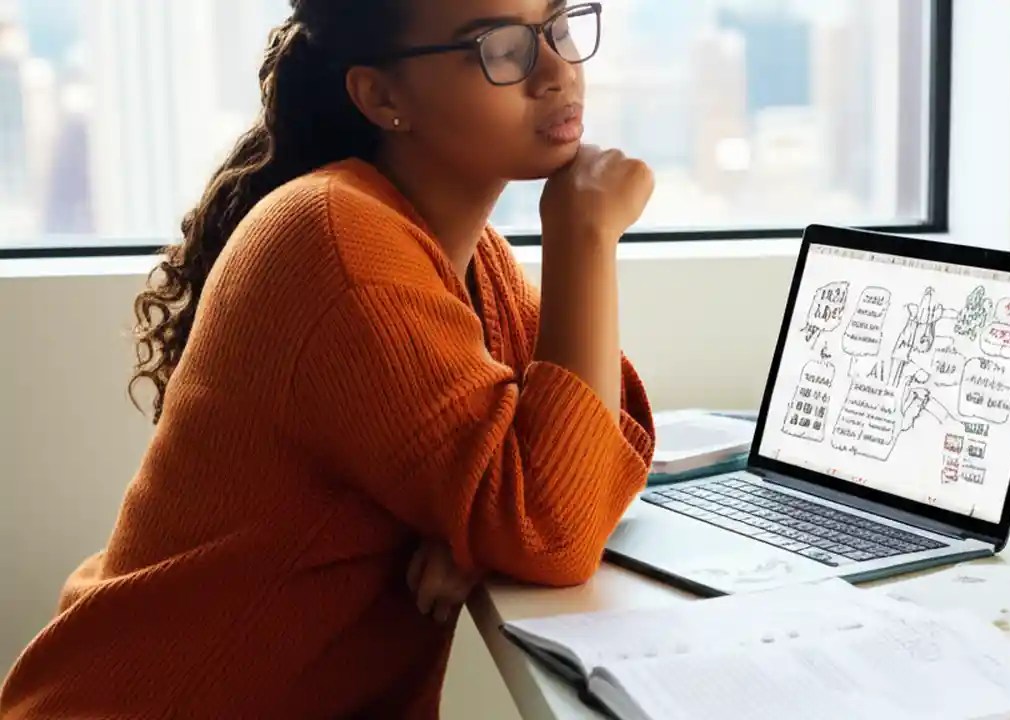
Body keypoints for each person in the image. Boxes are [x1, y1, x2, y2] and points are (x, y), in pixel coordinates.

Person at [0, 0, 655, 716]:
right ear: (382, 96)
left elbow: (599, 451)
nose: (559, 71)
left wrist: (481, 540)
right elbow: (558, 520)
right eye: (500, 46)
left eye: (558, 23)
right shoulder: (338, 243)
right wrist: (584, 235)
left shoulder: (464, 258)